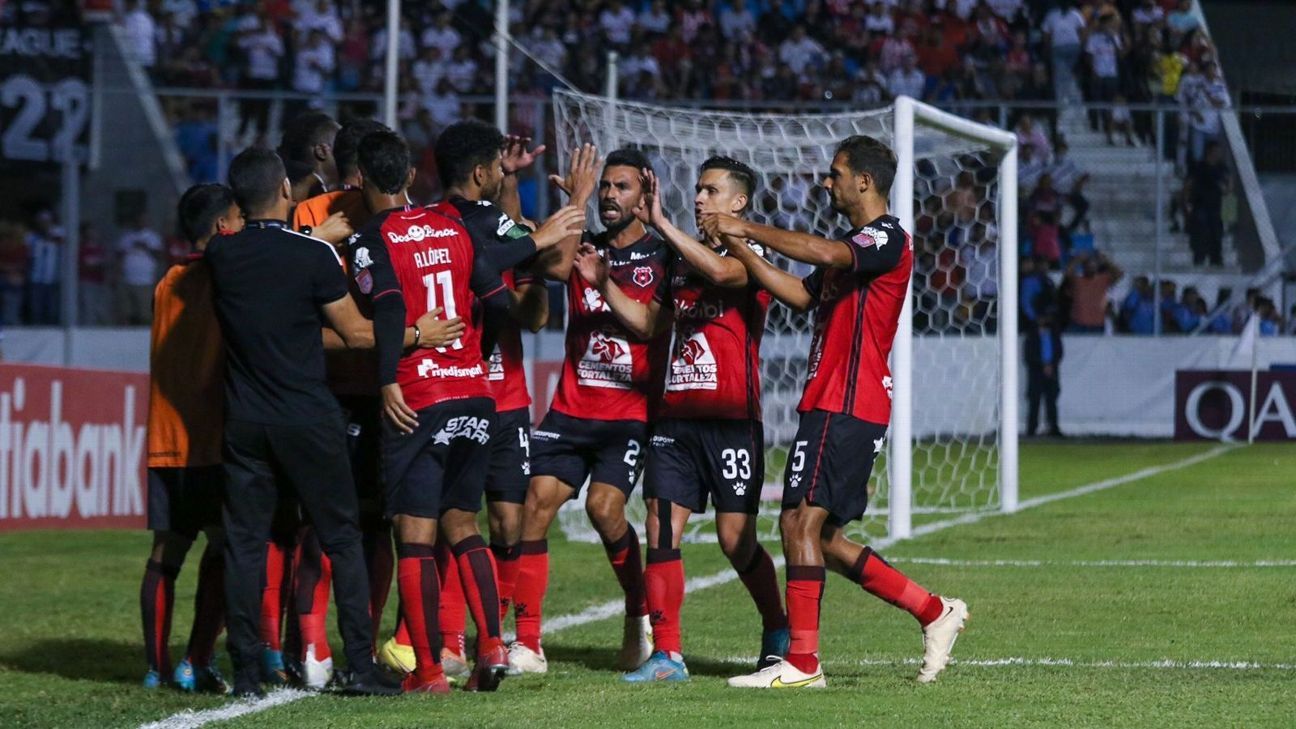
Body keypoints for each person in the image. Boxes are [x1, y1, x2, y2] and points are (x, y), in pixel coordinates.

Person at [704, 135, 968, 689]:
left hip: (847, 401)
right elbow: (801, 296)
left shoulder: (886, 237)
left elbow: (826, 255)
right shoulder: (853, 246)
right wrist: (746, 252)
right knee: (820, 538)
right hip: (834, 400)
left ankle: (801, 664)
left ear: (864, 181)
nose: (827, 182)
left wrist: (746, 228)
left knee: (798, 520)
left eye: (835, 173)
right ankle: (933, 611)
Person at [346, 130, 566, 693]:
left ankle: (428, 670)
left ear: (365, 181)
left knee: (415, 540)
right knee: (464, 526)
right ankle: (492, 649)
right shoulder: (456, 228)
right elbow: (496, 303)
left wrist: (389, 376)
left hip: (420, 400)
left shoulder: (375, 236)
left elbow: (390, 305)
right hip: (478, 397)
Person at [573, 157, 789, 683]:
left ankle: (778, 629)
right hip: (675, 420)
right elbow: (651, 323)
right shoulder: (675, 262)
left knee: (735, 540)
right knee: (659, 528)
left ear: (737, 203)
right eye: (696, 190)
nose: (699, 198)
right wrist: (604, 283)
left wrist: (662, 223)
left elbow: (720, 273)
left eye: (710, 191)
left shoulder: (750, 251)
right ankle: (667, 654)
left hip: (732, 419)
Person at [205, 147, 401, 698]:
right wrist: (414, 334)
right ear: (287, 192)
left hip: (245, 420)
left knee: (245, 545)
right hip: (308, 418)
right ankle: (358, 666)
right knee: (343, 537)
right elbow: (360, 334)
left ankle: (245, 671)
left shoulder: (223, 256)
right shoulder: (312, 257)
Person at [507, 149, 673, 676]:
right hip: (571, 409)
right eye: (604, 187)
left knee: (605, 509)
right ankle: (528, 643)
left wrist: (604, 281)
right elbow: (552, 266)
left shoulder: (662, 256)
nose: (608, 195)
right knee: (535, 505)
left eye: (620, 187)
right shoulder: (585, 247)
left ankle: (636, 611)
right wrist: (574, 199)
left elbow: (649, 328)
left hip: (628, 413)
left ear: (644, 195)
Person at [139, 184, 242, 693]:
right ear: (224, 226)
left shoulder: (166, 282)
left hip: (164, 440)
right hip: (210, 439)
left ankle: (155, 669)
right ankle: (197, 660)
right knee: (225, 544)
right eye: (241, 218)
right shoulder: (222, 279)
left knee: (167, 551)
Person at [1185, 141, 1229, 267]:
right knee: (1201, 233)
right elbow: (1189, 184)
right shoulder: (1199, 167)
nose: (1218, 154)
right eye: (1216, 151)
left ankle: (1216, 259)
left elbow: (1229, 188)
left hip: (1217, 207)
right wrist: (1187, 203)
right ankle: (1199, 258)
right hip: (1200, 205)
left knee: (1217, 234)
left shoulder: (1222, 168)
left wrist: (1230, 213)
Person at [117, 212, 165, 325]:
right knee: (125, 311)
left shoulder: (153, 237)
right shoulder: (126, 237)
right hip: (127, 279)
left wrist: (147, 247)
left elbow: (160, 256)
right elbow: (118, 256)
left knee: (145, 313)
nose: (140, 222)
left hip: (145, 280)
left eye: (143, 220)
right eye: (138, 220)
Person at [1024, 307, 1063, 437]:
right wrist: (1042, 365)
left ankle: (1053, 427)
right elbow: (1028, 356)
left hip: (1051, 372)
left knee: (1051, 401)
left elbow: (1059, 352)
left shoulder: (1053, 334)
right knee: (1034, 401)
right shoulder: (1031, 336)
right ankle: (1031, 429)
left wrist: (1051, 365)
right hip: (1036, 373)